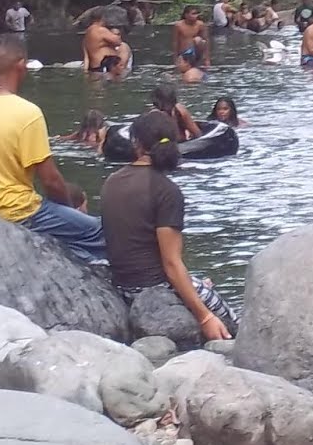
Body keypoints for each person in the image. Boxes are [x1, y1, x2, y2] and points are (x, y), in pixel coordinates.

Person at [0, 34, 106, 263]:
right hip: (16, 213)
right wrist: (69, 210)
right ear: (22, 64)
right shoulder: (27, 112)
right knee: (100, 231)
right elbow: (51, 182)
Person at [99, 110, 236, 343]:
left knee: (199, 282)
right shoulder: (166, 191)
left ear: (136, 143)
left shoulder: (112, 181)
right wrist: (205, 317)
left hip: (122, 285)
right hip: (153, 286)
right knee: (232, 320)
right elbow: (171, 265)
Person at [83, 14, 131, 79]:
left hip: (110, 70)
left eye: (118, 34)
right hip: (103, 68)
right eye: (113, 34)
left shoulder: (123, 46)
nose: (116, 36)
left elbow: (122, 65)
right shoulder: (100, 32)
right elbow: (86, 57)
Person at [172, 5, 210, 70]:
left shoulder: (200, 24)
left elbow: (206, 41)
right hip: (184, 53)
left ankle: (197, 61)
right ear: (186, 15)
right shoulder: (179, 25)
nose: (196, 16)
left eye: (197, 14)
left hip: (196, 53)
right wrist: (175, 59)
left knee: (198, 39)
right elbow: (175, 42)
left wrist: (207, 59)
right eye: (193, 14)